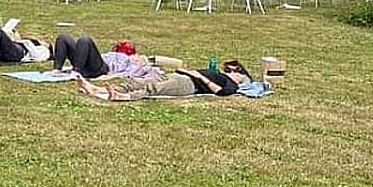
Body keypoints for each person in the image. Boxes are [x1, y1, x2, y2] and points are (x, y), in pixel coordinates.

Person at [77, 60, 252, 101]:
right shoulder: (223, 75)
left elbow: (222, 92)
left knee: (154, 87)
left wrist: (200, 77)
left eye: (232, 70)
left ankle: (122, 97)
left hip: (190, 84)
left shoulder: (233, 84)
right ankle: (95, 89)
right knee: (137, 81)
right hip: (182, 76)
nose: (227, 70)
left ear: (241, 75)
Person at [50, 33, 162, 80]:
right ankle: (56, 69)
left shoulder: (137, 63)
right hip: (90, 60)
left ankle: (76, 72)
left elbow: (128, 74)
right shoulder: (115, 54)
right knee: (63, 37)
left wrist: (109, 77)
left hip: (100, 68)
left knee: (85, 40)